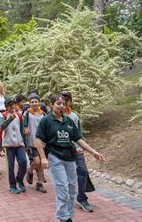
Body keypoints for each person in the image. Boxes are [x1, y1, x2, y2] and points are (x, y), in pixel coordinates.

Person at [35, 94, 105, 222]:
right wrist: (43, 158)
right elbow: (38, 140)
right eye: (58, 103)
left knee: (72, 189)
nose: (61, 106)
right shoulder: (46, 121)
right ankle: (63, 217)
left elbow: (78, 139)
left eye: (63, 104)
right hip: (55, 156)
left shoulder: (69, 121)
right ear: (52, 105)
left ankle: (69, 216)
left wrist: (93, 152)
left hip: (70, 157)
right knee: (62, 187)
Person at [61, 90, 94, 213]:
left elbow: (79, 134)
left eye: (66, 100)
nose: (64, 104)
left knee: (83, 171)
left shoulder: (74, 116)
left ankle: (82, 198)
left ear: (69, 102)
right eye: (62, 101)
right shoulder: (53, 117)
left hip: (77, 149)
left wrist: (85, 147)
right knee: (65, 178)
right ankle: (65, 199)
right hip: (62, 152)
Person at [0, 96, 27, 194]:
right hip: (8, 144)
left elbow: (22, 130)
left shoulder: (20, 115)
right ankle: (12, 185)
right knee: (10, 166)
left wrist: (26, 144)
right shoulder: (3, 115)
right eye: (9, 105)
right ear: (6, 106)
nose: (12, 106)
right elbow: (1, 127)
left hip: (19, 143)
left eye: (13, 104)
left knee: (23, 162)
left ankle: (19, 179)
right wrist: (10, 119)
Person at [23, 93, 47, 193]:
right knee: (37, 161)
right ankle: (30, 170)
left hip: (42, 142)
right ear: (30, 103)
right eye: (32, 102)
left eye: (36, 102)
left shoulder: (44, 114)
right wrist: (25, 129)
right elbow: (24, 125)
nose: (34, 103)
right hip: (32, 142)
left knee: (41, 163)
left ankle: (40, 183)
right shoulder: (27, 114)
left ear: (39, 102)